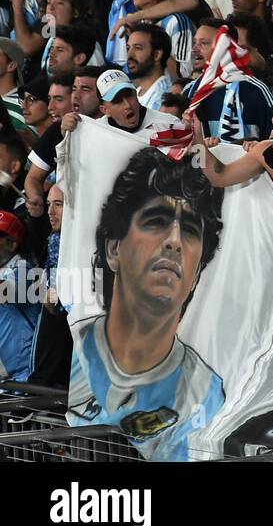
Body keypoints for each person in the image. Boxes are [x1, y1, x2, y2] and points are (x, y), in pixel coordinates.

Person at [66, 147, 226, 461]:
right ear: (113, 248)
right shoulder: (79, 349)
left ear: (196, 274)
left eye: (191, 230)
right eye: (156, 221)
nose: (175, 241)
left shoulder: (205, 391)